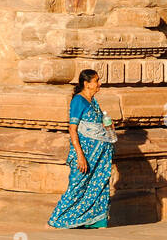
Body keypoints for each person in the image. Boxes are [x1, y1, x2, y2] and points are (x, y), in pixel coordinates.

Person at [48, 69, 116, 229]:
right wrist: (80, 155)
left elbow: (99, 125)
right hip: (86, 152)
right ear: (86, 84)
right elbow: (73, 129)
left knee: (98, 185)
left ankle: (94, 220)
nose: (100, 83)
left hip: (100, 154)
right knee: (77, 185)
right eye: (96, 80)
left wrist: (108, 125)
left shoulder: (94, 102)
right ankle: (56, 221)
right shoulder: (78, 101)